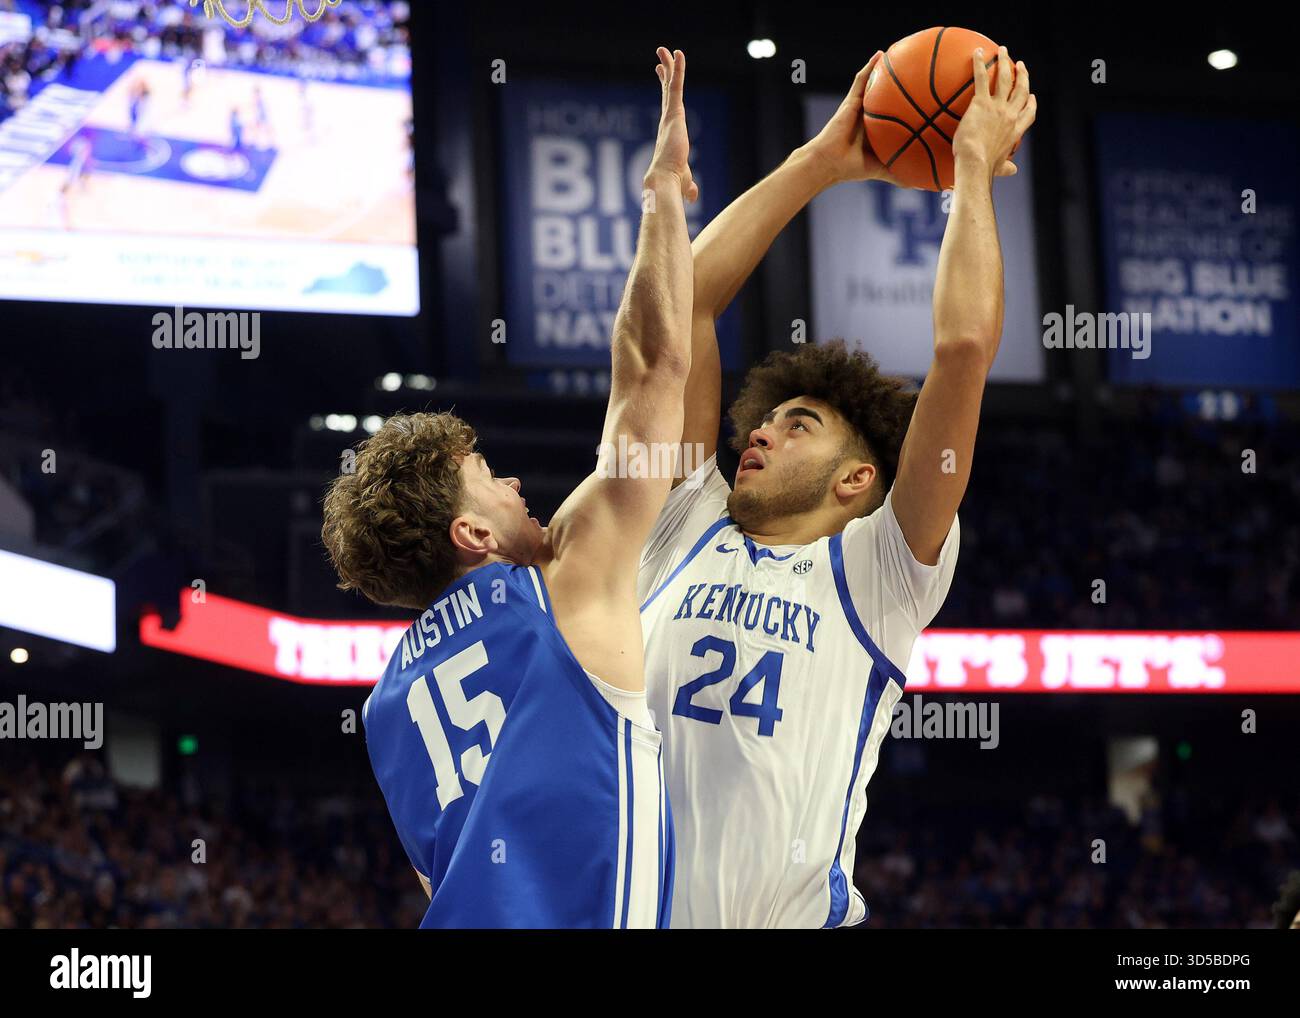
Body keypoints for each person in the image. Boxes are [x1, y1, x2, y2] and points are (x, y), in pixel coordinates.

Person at [636, 46, 1036, 927]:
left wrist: (969, 167)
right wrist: (822, 160)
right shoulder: (684, 519)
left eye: (798, 425)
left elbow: (963, 350)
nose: (761, 431)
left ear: (859, 480)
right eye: (765, 422)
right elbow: (687, 300)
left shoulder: (880, 571)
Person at [321, 48, 698, 928]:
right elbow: (656, 369)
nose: (517, 482)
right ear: (473, 537)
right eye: (489, 480)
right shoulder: (563, 589)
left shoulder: (386, 709)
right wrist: (662, 196)